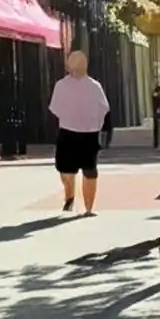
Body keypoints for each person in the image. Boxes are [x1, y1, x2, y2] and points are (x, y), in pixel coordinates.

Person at [49, 50, 109, 215]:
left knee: (90, 170)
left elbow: (104, 108)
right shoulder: (61, 85)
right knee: (65, 170)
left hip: (89, 133)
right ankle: (70, 196)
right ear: (69, 65)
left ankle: (89, 208)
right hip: (68, 131)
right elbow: (55, 107)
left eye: (80, 62)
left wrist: (95, 123)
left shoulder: (94, 86)